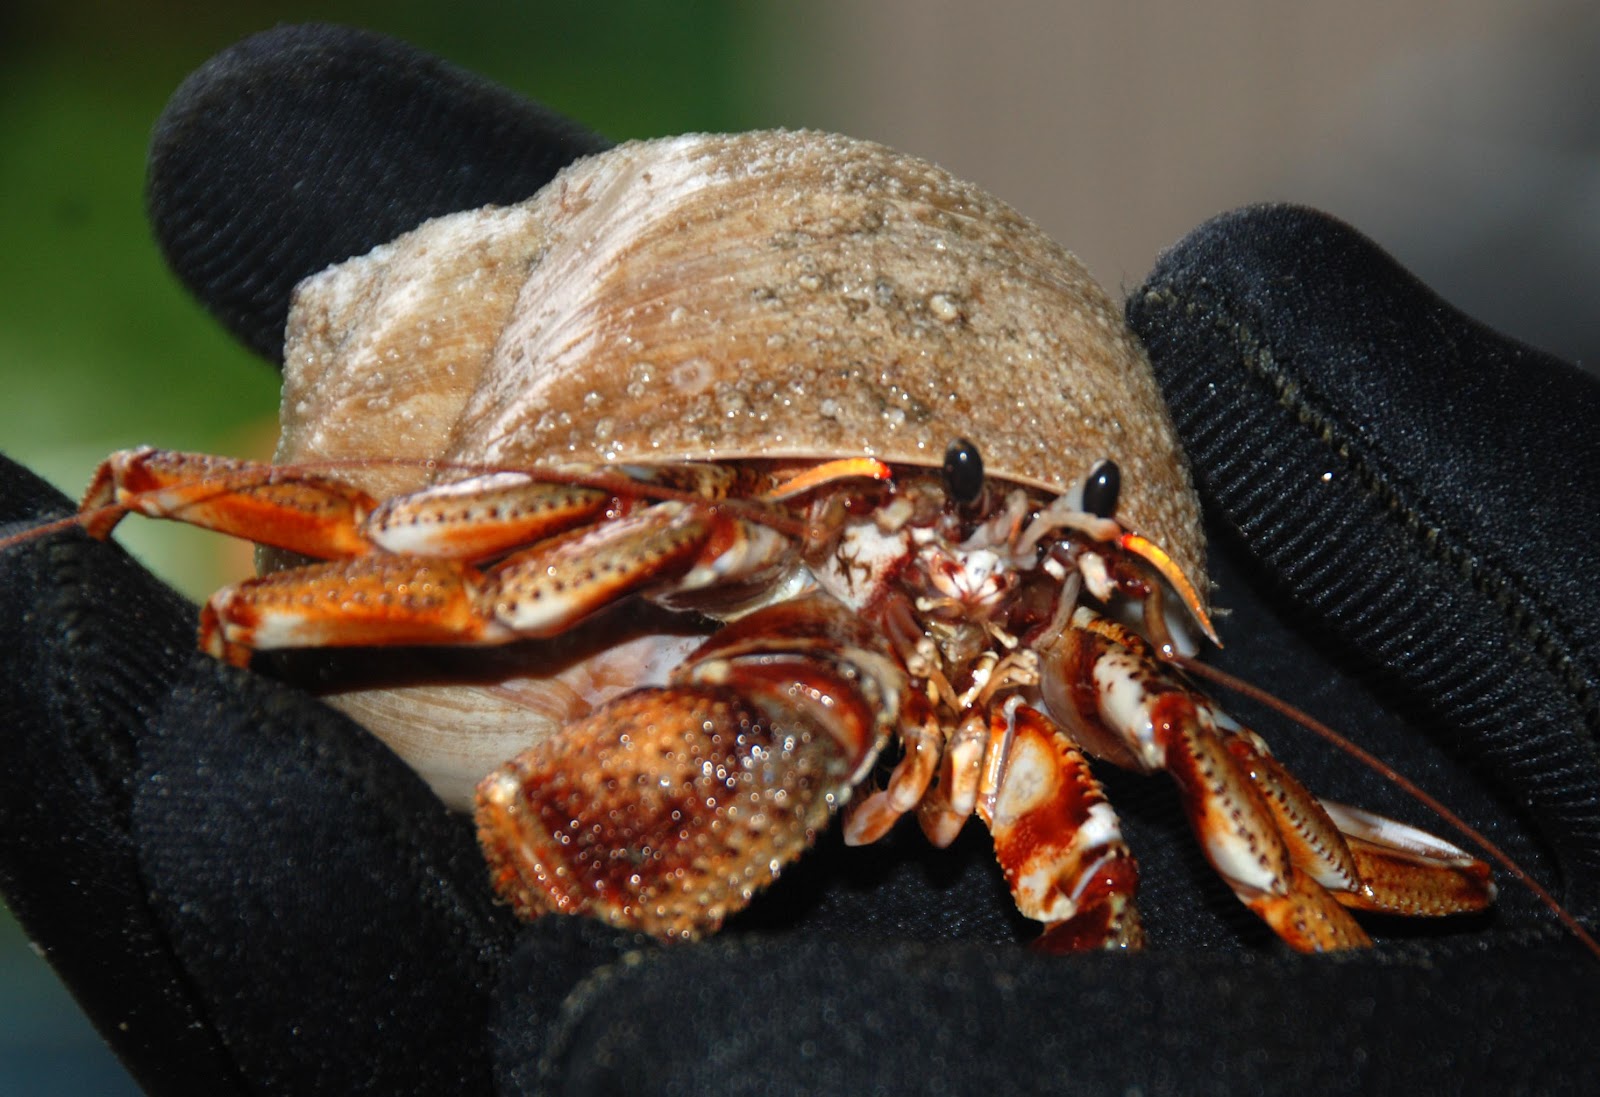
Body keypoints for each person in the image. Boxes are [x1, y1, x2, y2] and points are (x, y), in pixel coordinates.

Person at [2, 24, 1596, 1096]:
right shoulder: (740, 532)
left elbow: (1126, 695)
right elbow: (501, 582)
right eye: (956, 502)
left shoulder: (1016, 599)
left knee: (1135, 758)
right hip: (643, 529)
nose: (990, 577)